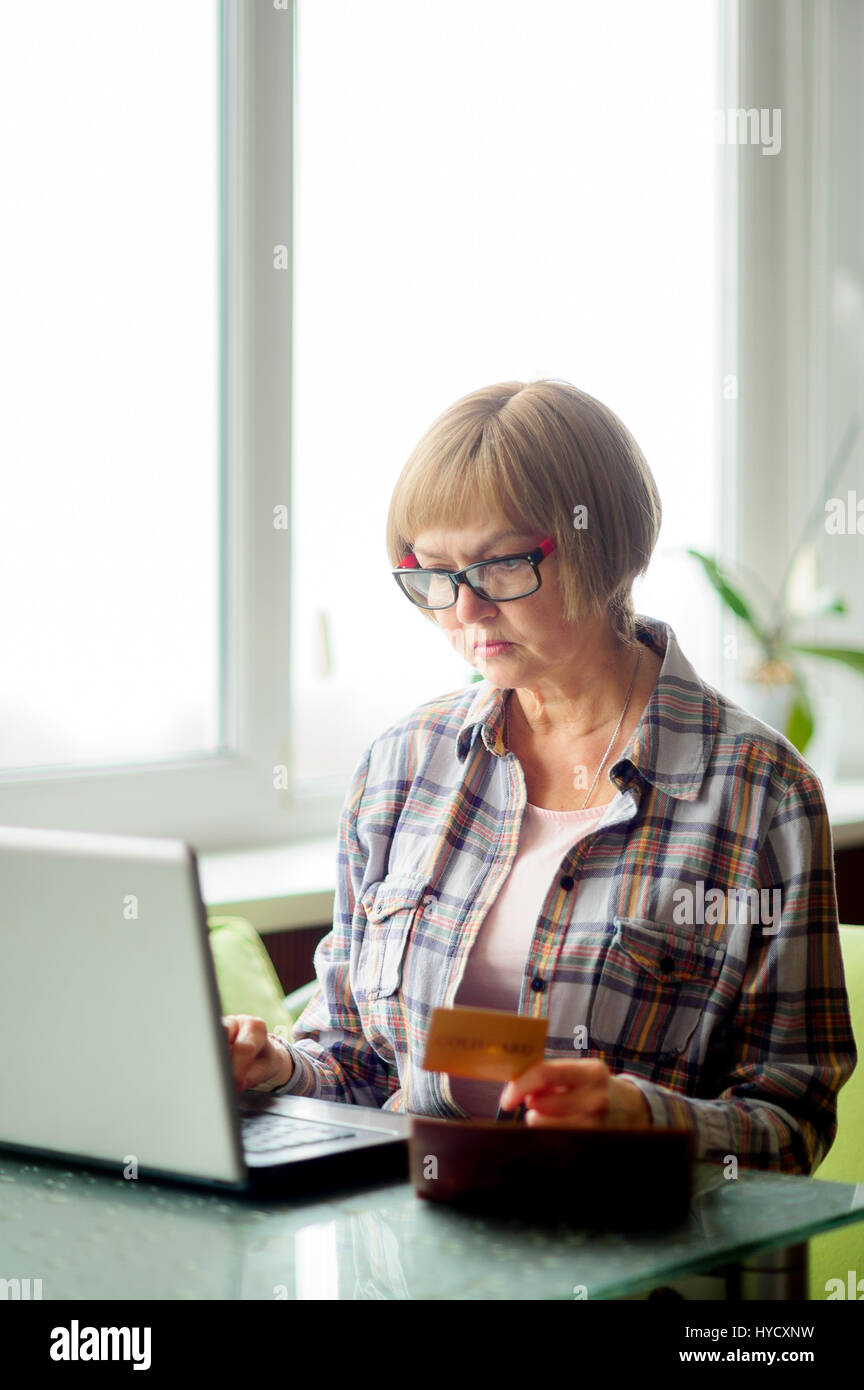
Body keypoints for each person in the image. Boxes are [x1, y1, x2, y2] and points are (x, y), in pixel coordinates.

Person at [223, 378, 856, 1174]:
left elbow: (792, 1122)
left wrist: (643, 1119)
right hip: (404, 1246)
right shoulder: (400, 766)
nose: (465, 610)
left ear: (606, 545)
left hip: (626, 1258)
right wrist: (276, 1068)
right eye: (436, 572)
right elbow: (355, 1060)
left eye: (499, 566)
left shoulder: (759, 793)